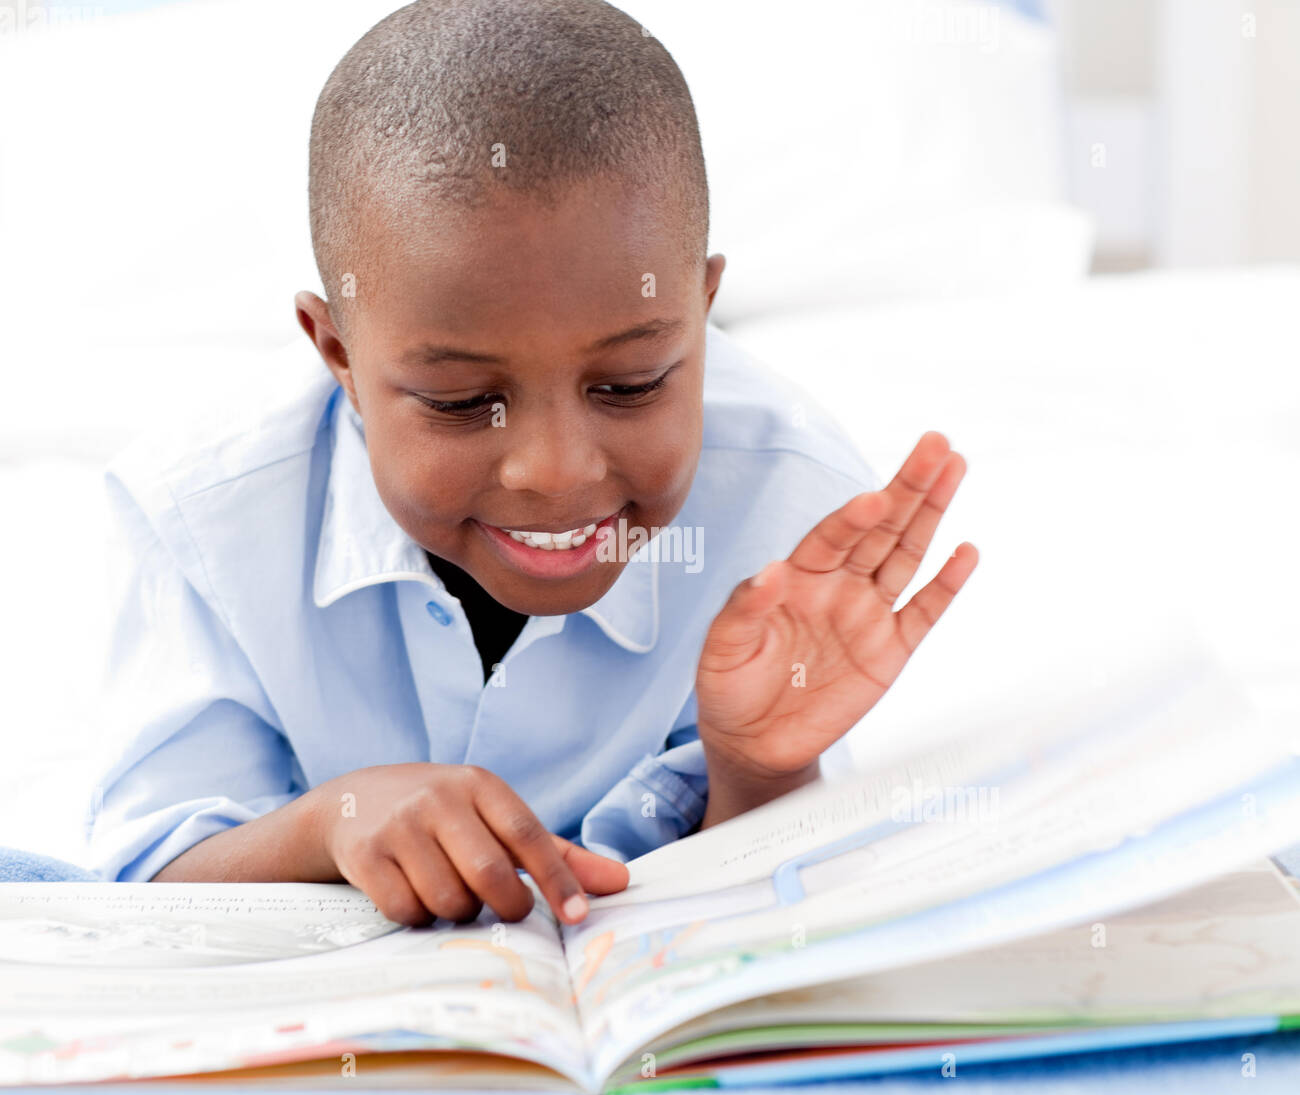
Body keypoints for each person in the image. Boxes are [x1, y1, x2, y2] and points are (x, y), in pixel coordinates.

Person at [77, 0, 977, 924]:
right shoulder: (200, 515)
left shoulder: (793, 507)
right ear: (338, 353)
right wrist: (328, 824)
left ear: (702, 313)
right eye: (463, 403)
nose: (554, 472)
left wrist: (760, 768)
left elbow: (776, 898)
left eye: (629, 385)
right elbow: (144, 882)